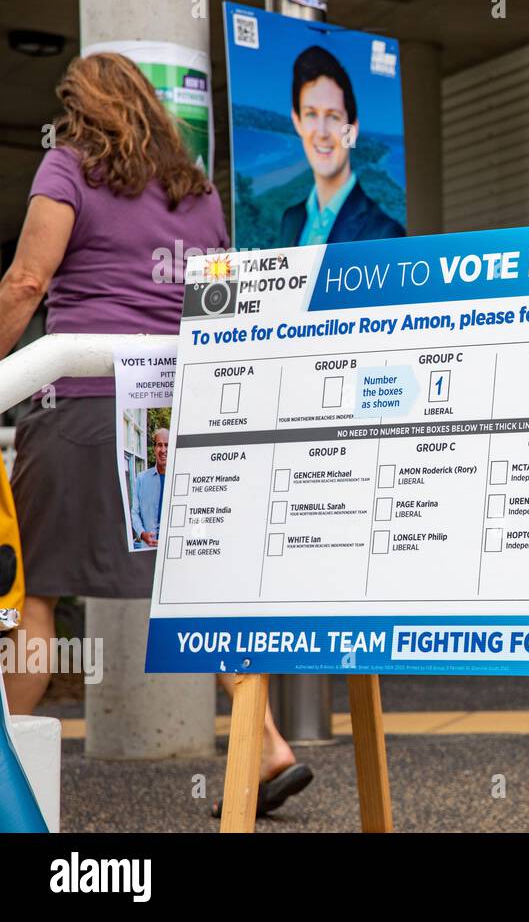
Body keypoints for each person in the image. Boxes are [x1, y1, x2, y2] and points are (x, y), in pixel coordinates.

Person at [0, 52, 311, 815]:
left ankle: (5, 762)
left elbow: (27, 281)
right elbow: (224, 299)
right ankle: (267, 745)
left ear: (80, 109)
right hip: (174, 412)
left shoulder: (68, 167)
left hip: (78, 403)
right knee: (192, 586)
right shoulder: (198, 191)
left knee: (37, 590)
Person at [278, 45, 405, 247]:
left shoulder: (384, 232)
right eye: (311, 114)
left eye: (333, 117)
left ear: (352, 130)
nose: (322, 132)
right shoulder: (291, 220)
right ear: (297, 121)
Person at [131, 427, 168, 548]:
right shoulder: (141, 479)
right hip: (147, 551)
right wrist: (142, 534)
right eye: (159, 445)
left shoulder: (181, 480)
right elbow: (134, 513)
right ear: (154, 448)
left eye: (167, 445)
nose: (163, 450)